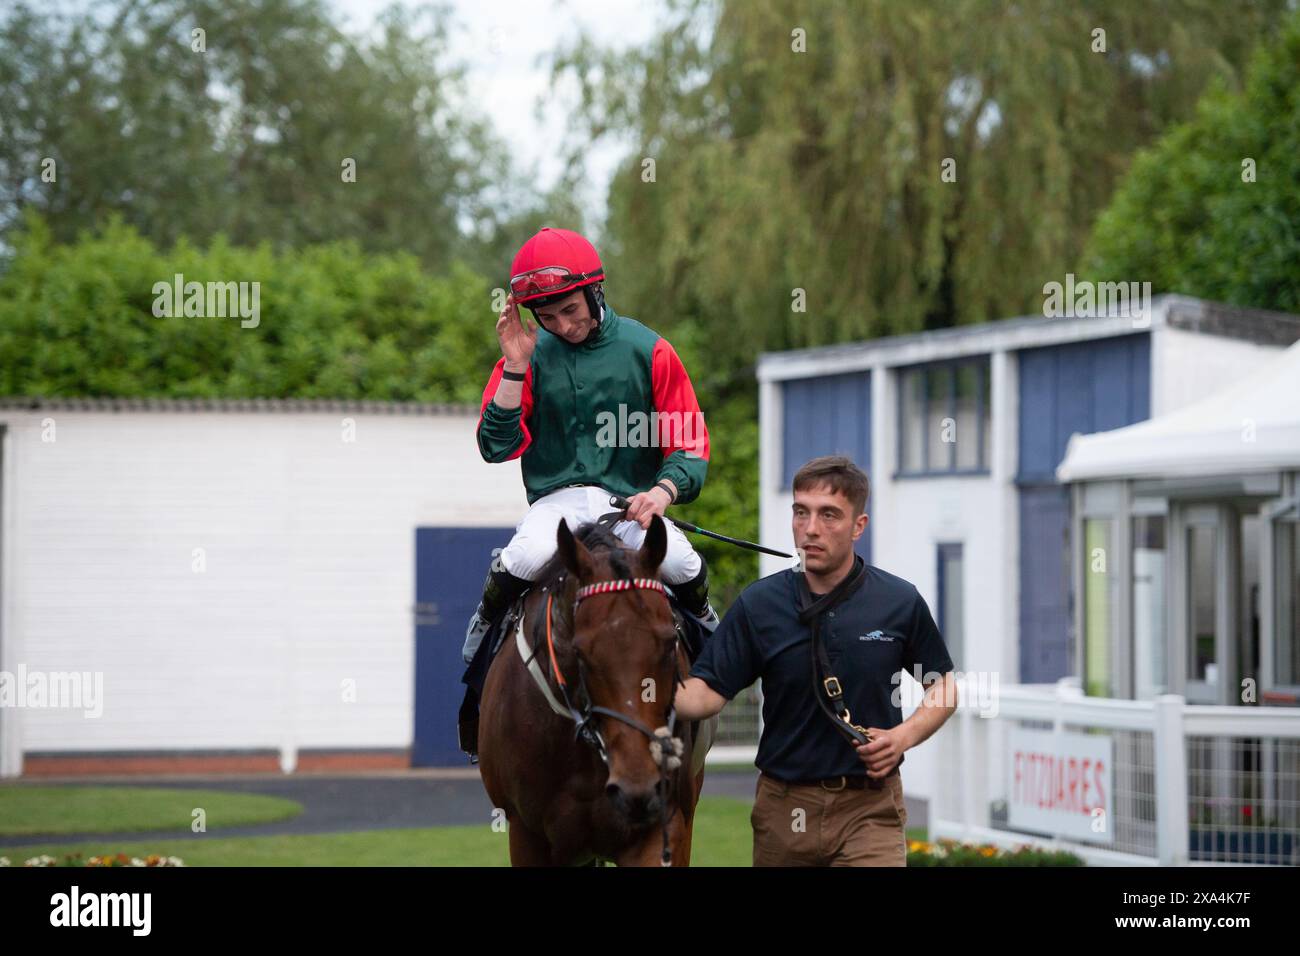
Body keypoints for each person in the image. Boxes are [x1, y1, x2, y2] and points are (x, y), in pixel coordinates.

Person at [673, 455, 957, 866]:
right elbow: (703, 696)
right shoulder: (759, 604)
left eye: (829, 515)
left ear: (859, 526)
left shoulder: (899, 601)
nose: (810, 529)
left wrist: (903, 736)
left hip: (870, 810)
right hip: (785, 810)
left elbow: (943, 686)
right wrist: (636, 688)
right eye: (801, 512)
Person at [463, 226, 717, 664]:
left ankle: (711, 634)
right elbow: (495, 446)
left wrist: (661, 493)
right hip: (555, 506)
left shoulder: (650, 350)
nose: (563, 325)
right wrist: (515, 367)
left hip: (629, 507)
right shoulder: (527, 354)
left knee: (682, 563)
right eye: (548, 317)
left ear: (594, 291)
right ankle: (484, 628)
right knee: (524, 558)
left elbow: (689, 444)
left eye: (569, 309)